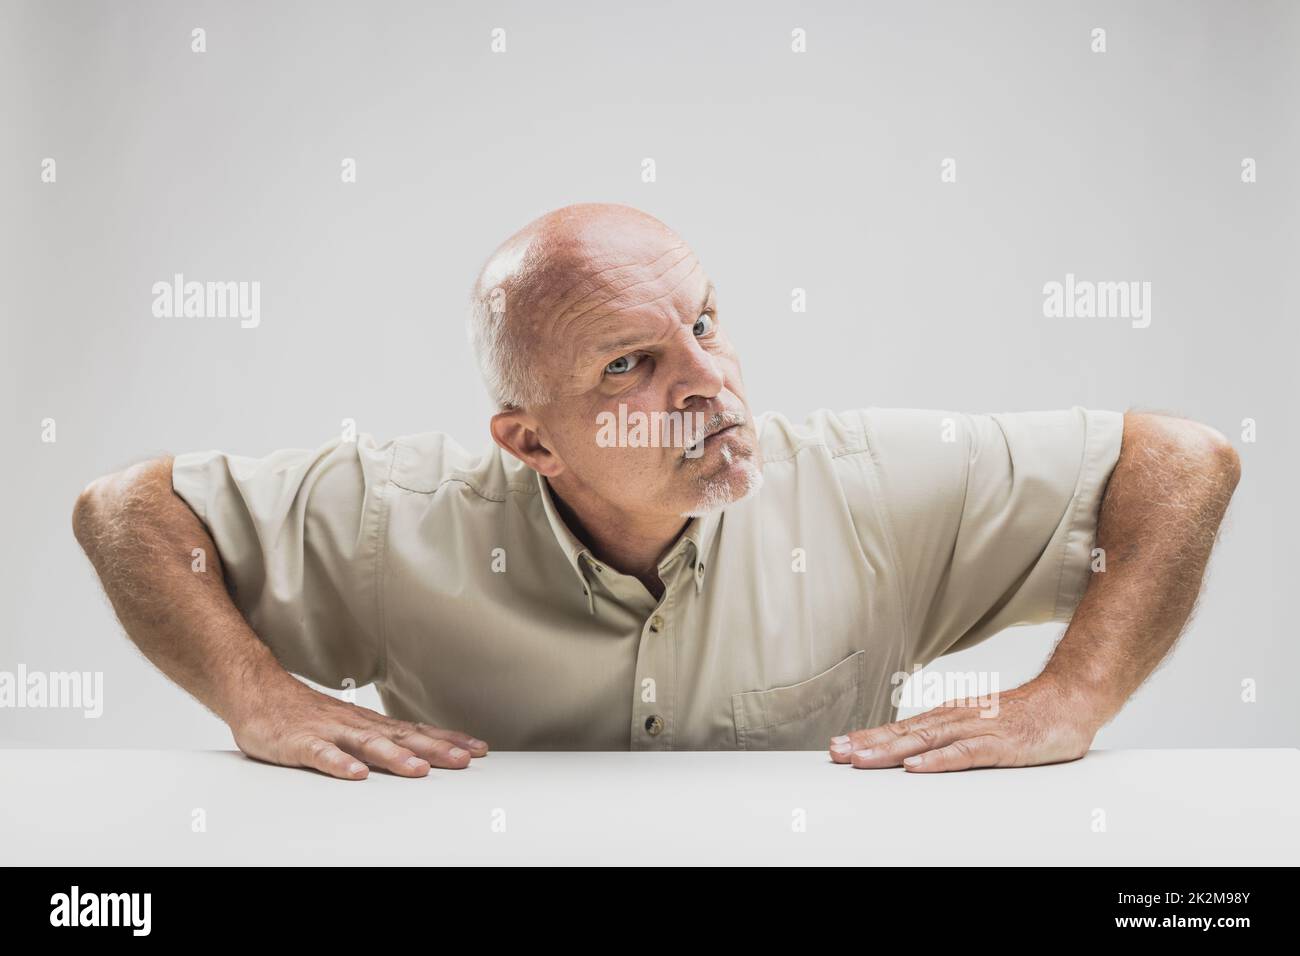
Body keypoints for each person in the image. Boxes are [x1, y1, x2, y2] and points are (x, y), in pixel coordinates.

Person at [72, 203, 1241, 779]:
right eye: (631, 363)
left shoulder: (874, 488)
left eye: (705, 322)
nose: (713, 384)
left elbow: (1184, 458)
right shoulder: (398, 516)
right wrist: (256, 699)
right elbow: (126, 507)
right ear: (529, 443)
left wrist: (1074, 696)